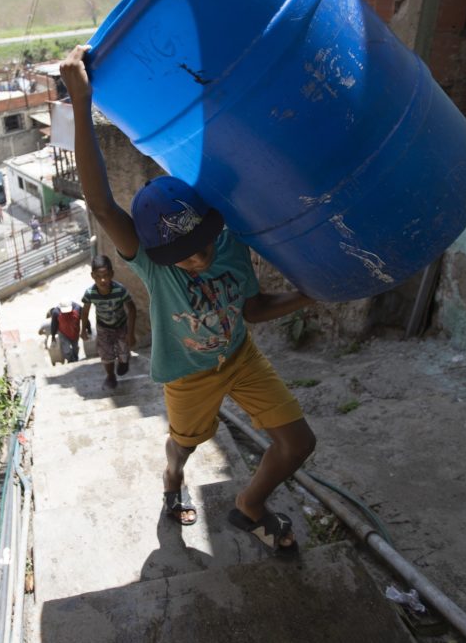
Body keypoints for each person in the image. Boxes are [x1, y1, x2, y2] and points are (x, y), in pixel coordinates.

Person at [60, 44, 317, 555]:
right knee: (184, 445)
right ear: (155, 253)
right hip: (187, 375)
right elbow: (101, 205)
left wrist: (304, 296)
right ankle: (171, 483)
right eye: (182, 256)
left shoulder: (230, 242)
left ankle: (250, 505)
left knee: (299, 443)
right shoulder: (152, 265)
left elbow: (249, 308)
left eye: (201, 246)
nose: (198, 260)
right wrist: (81, 103)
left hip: (240, 357)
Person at [81, 255, 138, 391]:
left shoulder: (120, 290)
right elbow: (85, 311)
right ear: (92, 276)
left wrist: (130, 333)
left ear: (112, 274)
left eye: (106, 275)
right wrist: (83, 329)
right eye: (98, 276)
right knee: (106, 354)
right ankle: (110, 376)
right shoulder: (90, 293)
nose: (103, 280)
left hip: (121, 326)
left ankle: (124, 362)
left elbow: (132, 309)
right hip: (103, 328)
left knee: (123, 352)